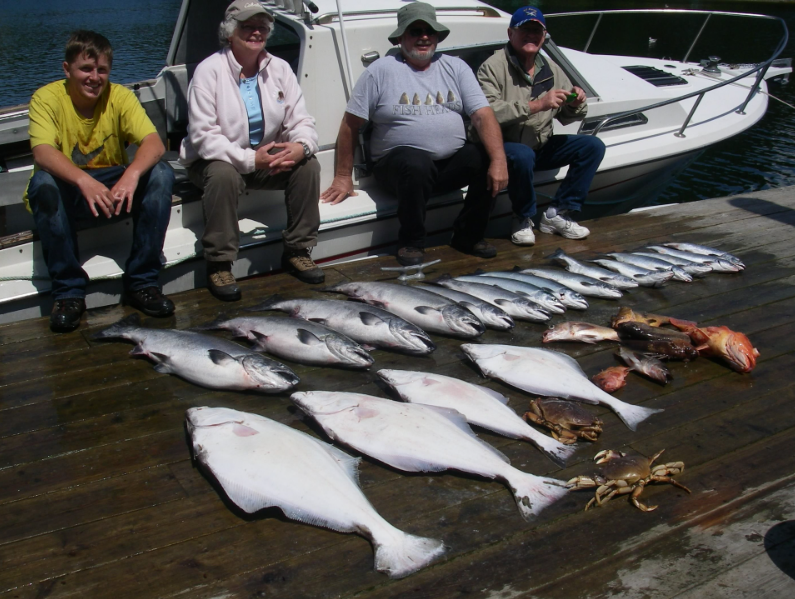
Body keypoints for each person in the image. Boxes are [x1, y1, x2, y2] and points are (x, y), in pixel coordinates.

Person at [320, 1, 508, 267]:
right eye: (415, 31)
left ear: (437, 36)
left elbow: (482, 115)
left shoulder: (456, 67)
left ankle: (468, 236)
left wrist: (499, 161)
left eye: (429, 31)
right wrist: (342, 177)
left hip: (443, 167)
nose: (423, 37)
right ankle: (411, 241)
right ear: (400, 38)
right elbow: (350, 124)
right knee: (416, 162)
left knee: (489, 156)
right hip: (397, 171)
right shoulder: (380, 71)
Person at [26, 30, 176, 333]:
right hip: (72, 192)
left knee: (161, 173)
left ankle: (143, 281)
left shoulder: (119, 96)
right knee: (44, 183)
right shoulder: (46, 98)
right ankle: (68, 291)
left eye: (102, 70)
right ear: (67, 69)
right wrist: (84, 181)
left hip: (113, 191)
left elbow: (154, 143)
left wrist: (131, 175)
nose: (94, 77)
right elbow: (42, 152)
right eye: (85, 69)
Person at [180, 0, 323, 300]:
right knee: (222, 175)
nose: (257, 32)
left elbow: (301, 120)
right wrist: (249, 159)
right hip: (212, 161)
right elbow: (204, 137)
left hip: (263, 159)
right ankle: (219, 263)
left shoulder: (280, 69)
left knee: (309, 166)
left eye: (263, 27)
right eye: (248, 26)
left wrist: (301, 146)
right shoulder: (209, 72)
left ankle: (298, 249)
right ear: (230, 32)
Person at [477, 6, 606, 245]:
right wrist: (537, 105)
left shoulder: (551, 69)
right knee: (522, 154)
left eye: (536, 31)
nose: (531, 36)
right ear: (510, 33)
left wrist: (575, 101)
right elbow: (487, 112)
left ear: (544, 35)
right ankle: (522, 217)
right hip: (504, 147)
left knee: (592, 146)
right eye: (524, 30)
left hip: (540, 144)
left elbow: (568, 116)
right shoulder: (492, 67)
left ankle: (558, 214)